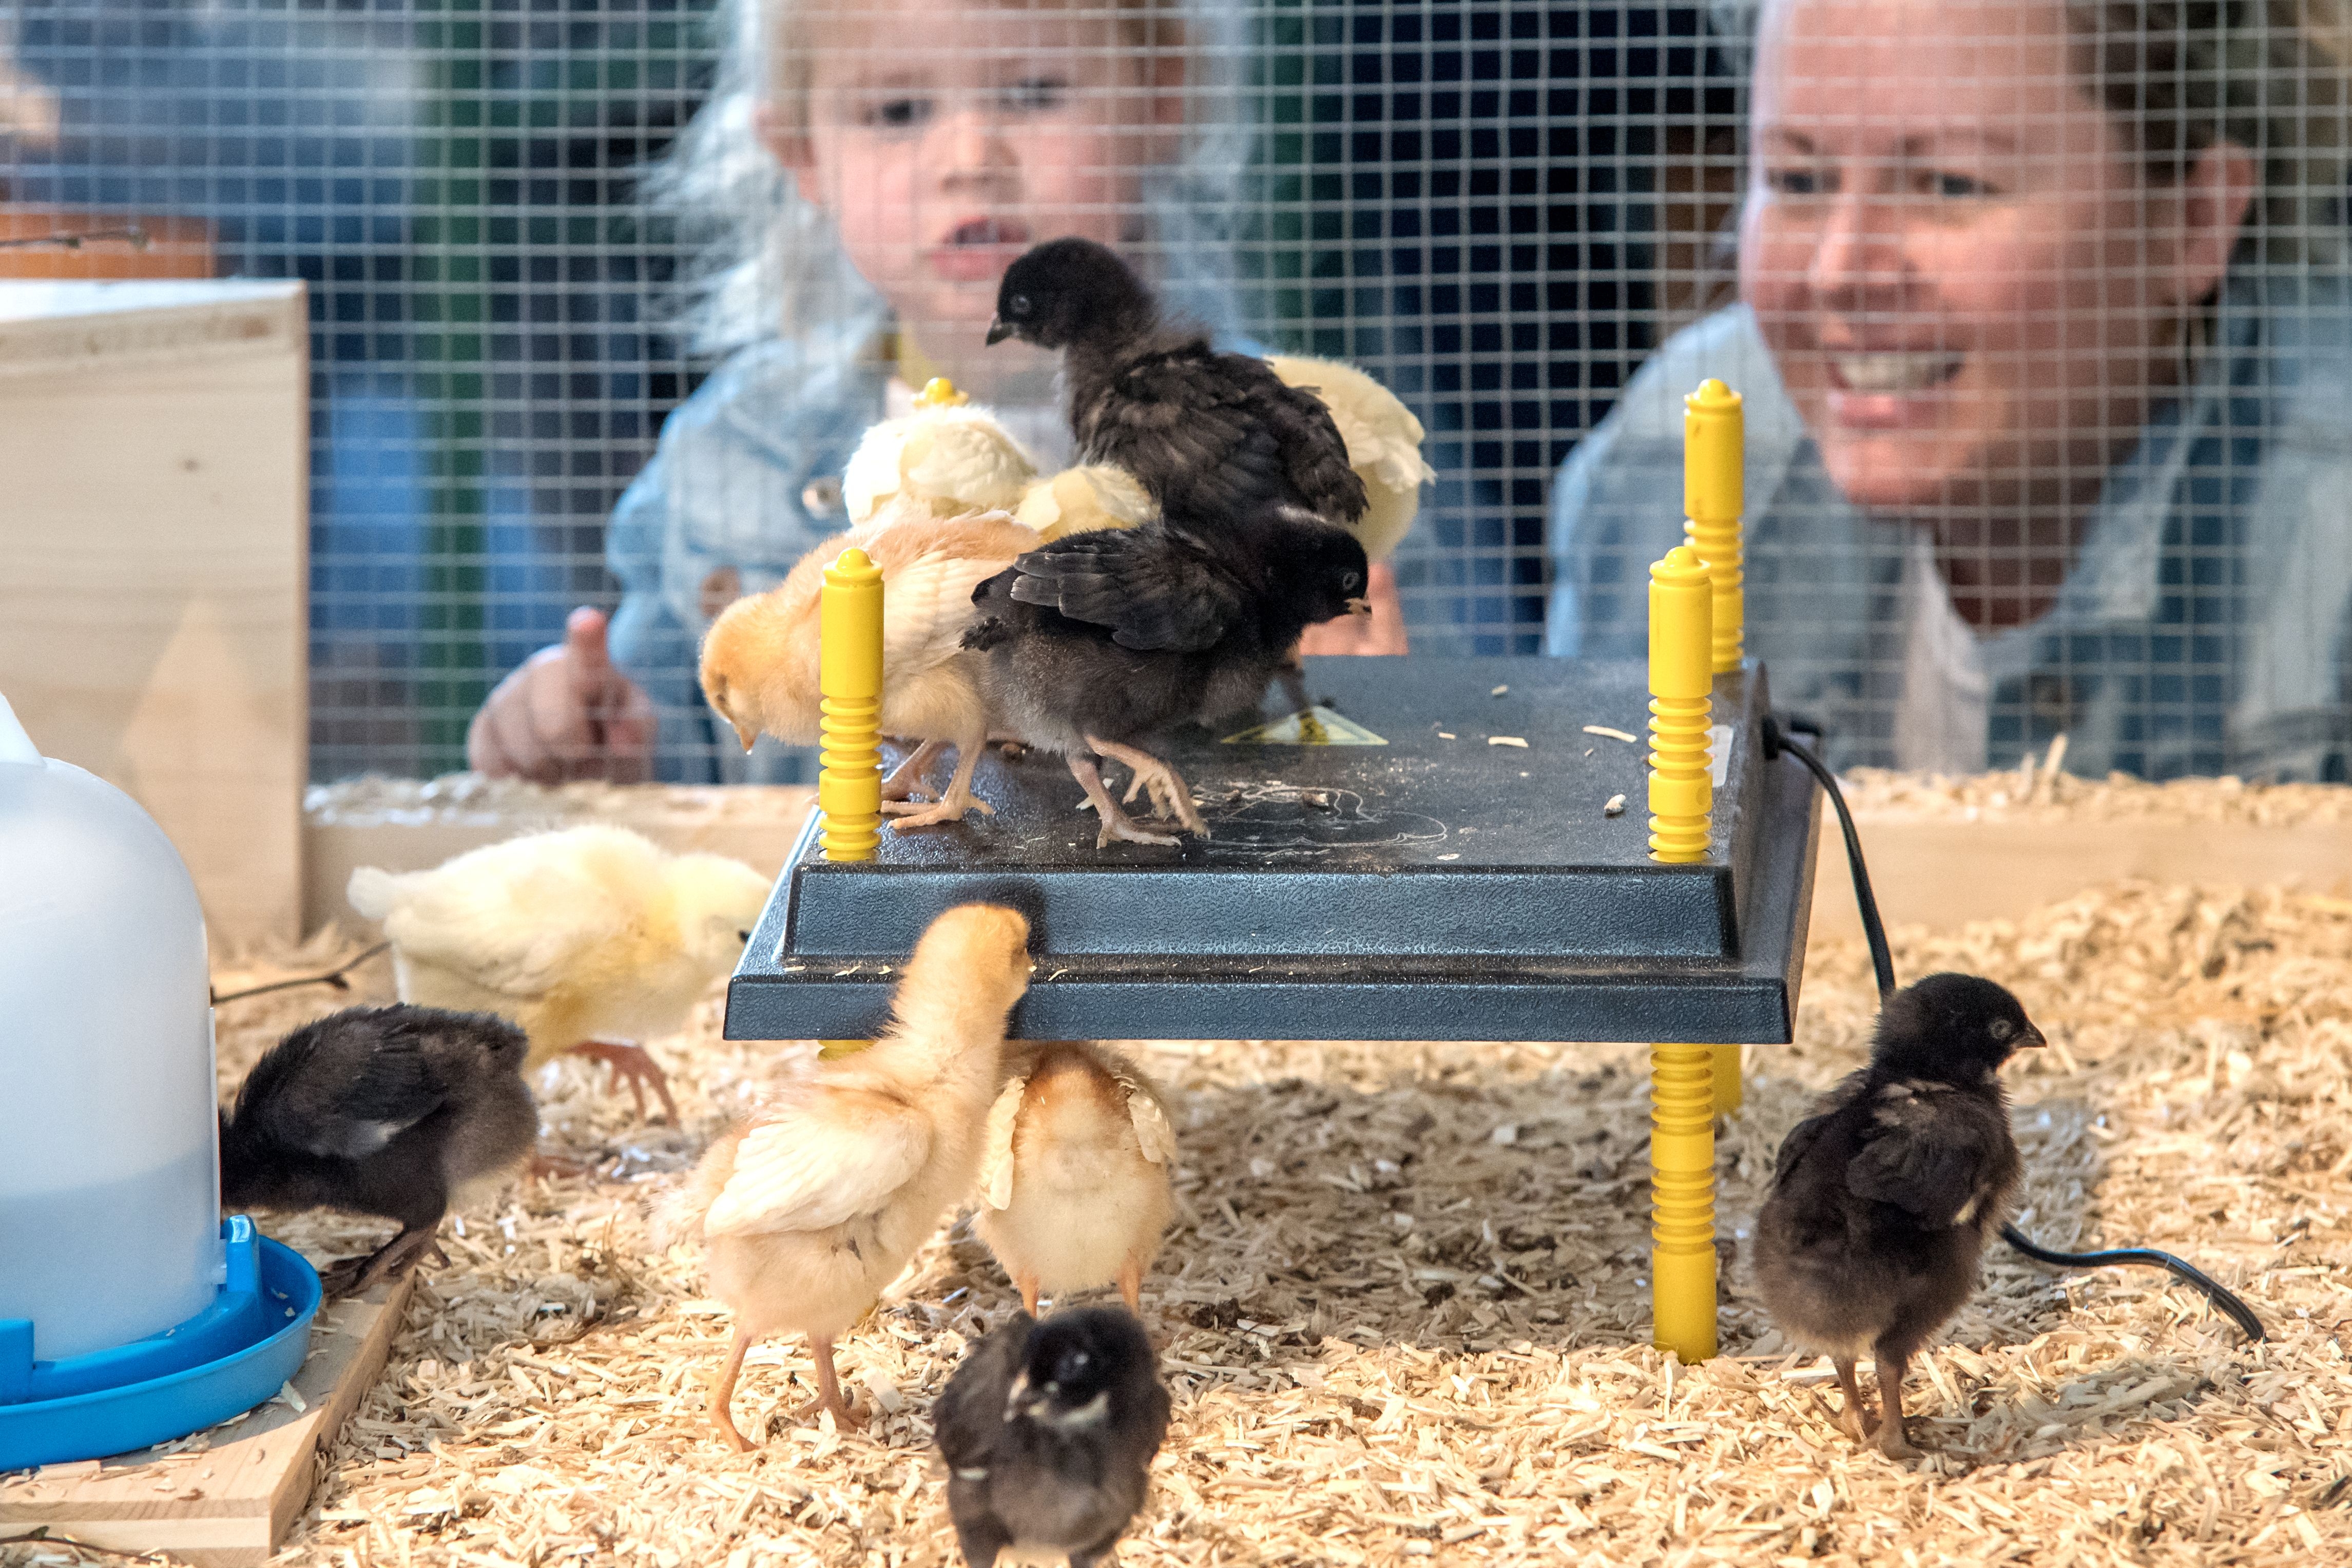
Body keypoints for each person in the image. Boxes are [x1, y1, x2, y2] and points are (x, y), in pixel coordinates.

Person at [468, 0, 1410, 785]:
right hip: (836, 989)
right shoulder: (731, 450)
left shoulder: (1299, 436)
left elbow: (1451, 752)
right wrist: (591, 739)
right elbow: (680, 745)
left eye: (1033, 94)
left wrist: (1366, 693)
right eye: (897, 110)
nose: (969, 156)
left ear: (1159, 100)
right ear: (801, 153)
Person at [1548, 0, 2352, 781]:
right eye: (1795, 179)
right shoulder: (1670, 460)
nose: (1838, 273)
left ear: (2194, 221)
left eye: (1949, 184)